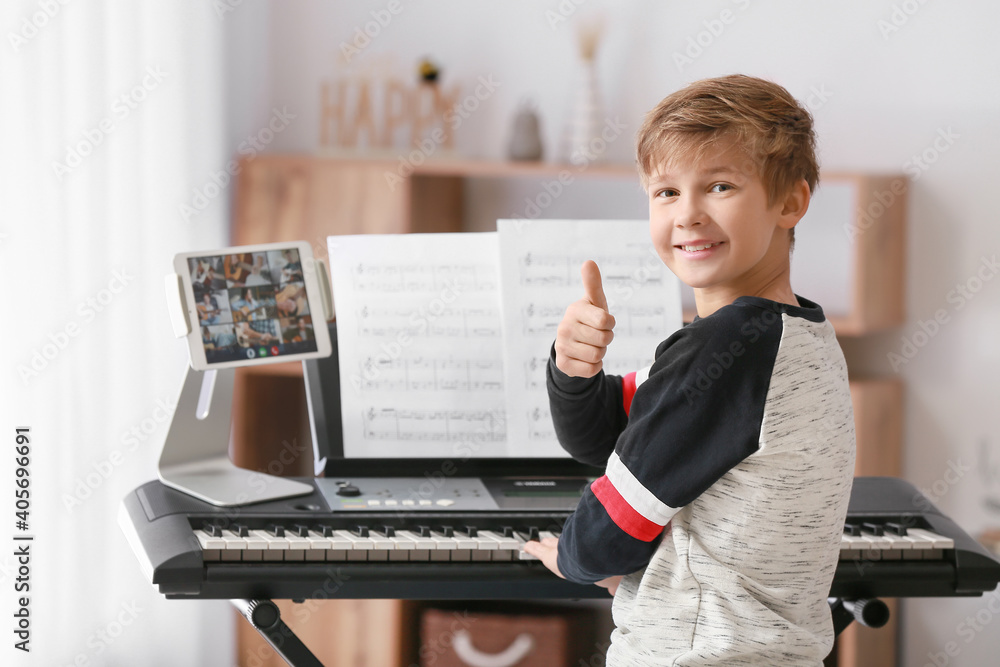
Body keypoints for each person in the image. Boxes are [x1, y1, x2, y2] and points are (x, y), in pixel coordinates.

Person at [523, 74, 856, 666]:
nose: (687, 215)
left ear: (791, 202)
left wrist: (572, 558)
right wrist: (574, 372)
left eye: (719, 185)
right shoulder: (795, 333)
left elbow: (606, 535)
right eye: (666, 192)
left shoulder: (729, 349)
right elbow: (605, 434)